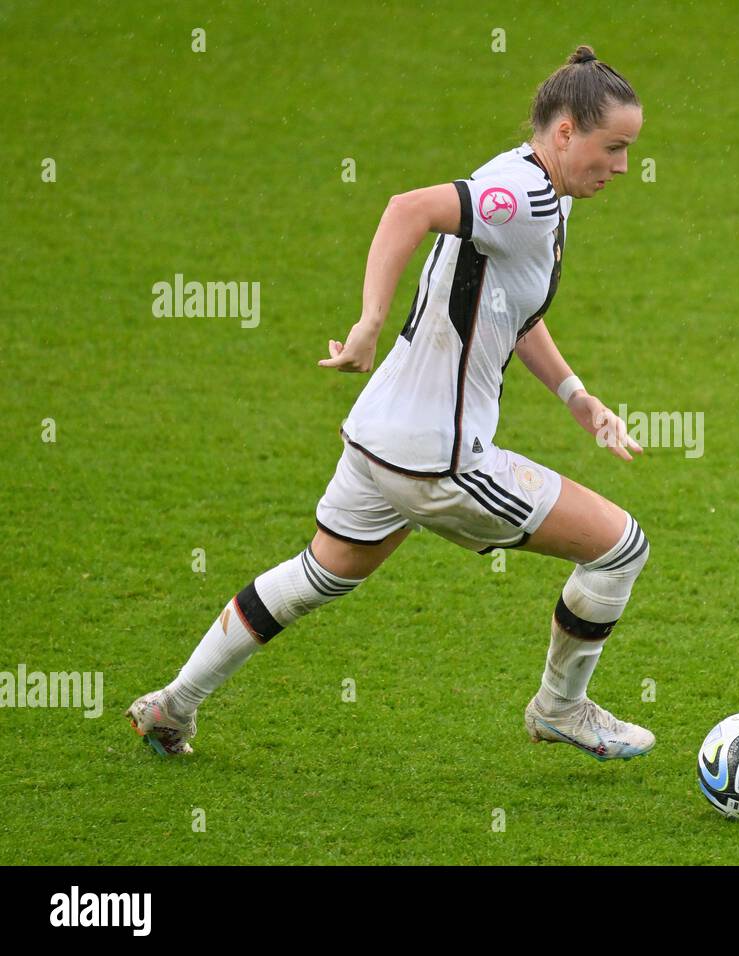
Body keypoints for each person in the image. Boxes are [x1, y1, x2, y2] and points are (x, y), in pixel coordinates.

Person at [126, 45, 654, 763]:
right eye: (613, 147)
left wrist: (575, 396)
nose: (622, 167)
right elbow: (408, 209)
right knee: (620, 548)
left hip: (380, 440)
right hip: (438, 456)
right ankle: (561, 707)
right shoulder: (524, 196)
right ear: (565, 132)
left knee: (320, 574)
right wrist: (371, 319)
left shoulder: (539, 188)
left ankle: (170, 705)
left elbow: (510, 310)